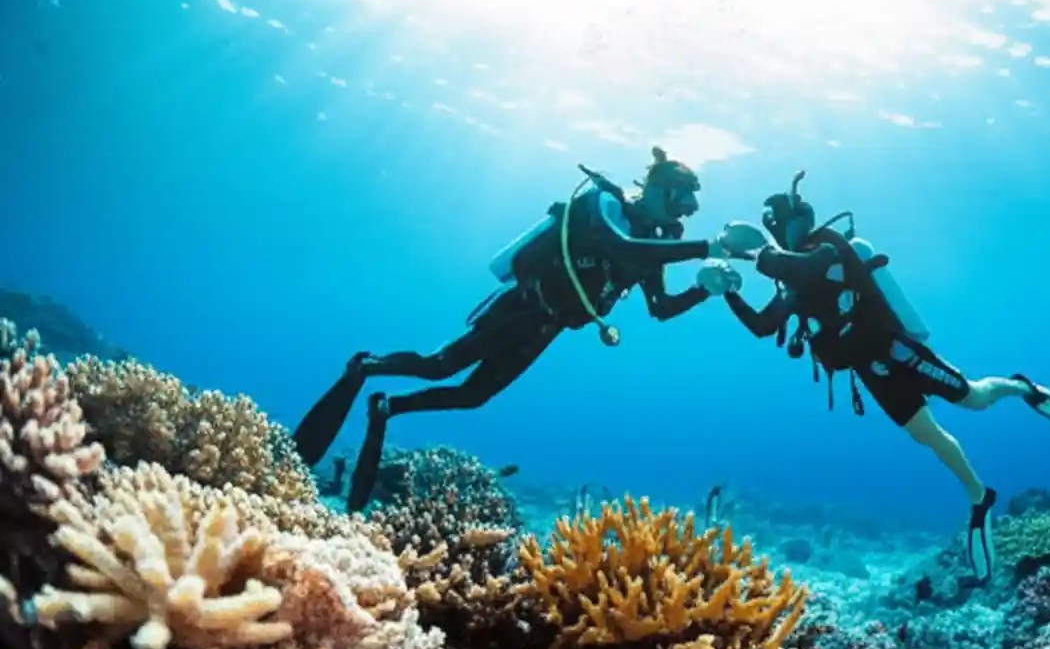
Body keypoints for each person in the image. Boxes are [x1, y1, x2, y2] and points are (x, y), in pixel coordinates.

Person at [293, 147, 751, 512]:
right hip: (519, 307)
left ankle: (386, 407)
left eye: (691, 205)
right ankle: (365, 367)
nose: (683, 214)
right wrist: (705, 247)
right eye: (677, 199)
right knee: (439, 367)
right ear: (653, 188)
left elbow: (661, 308)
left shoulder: (659, 242)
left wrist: (703, 290)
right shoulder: (604, 205)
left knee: (472, 397)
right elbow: (620, 245)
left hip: (548, 327)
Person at [706, 171, 1050, 583]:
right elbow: (765, 326)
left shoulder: (831, 249)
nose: (783, 232)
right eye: (777, 228)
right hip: (871, 372)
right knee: (927, 434)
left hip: (898, 351)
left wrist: (758, 250)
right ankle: (980, 496)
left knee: (974, 399)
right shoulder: (792, 282)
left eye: (783, 225)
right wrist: (728, 290)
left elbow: (807, 268)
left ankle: (1020, 387)